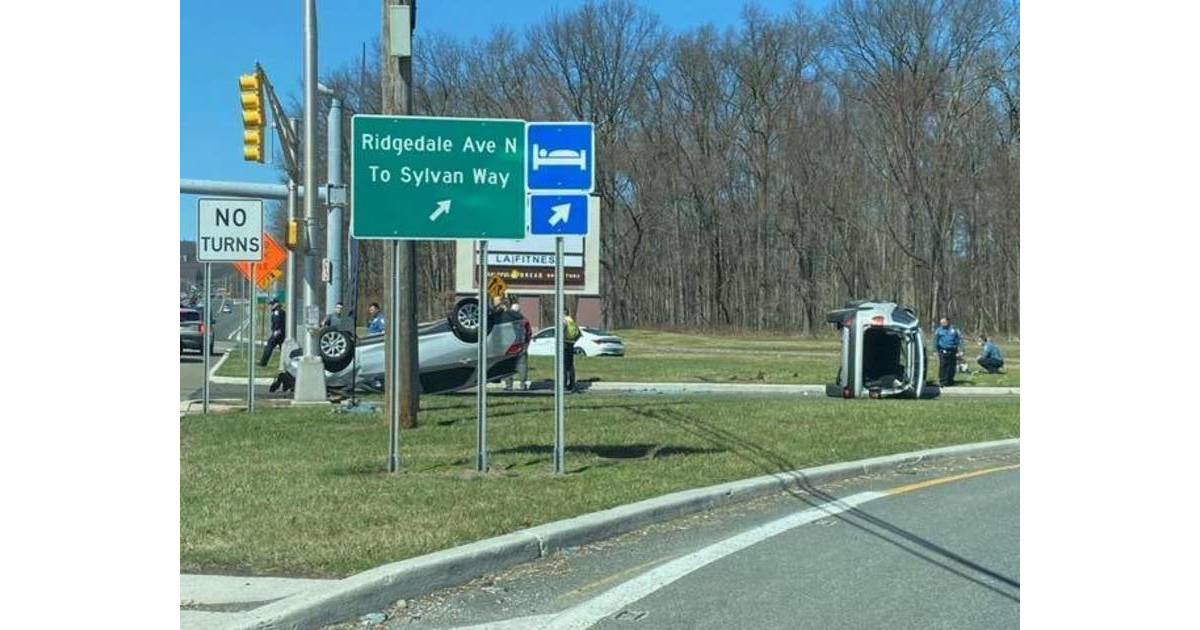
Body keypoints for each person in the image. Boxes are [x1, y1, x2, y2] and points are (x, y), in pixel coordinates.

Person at [503, 301, 529, 391]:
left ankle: (509, 385)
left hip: (509, 346)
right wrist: (526, 344)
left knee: (508, 366)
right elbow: (529, 333)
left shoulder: (506, 319)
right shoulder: (524, 320)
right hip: (521, 346)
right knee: (522, 365)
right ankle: (523, 384)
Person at [933, 317, 963, 387]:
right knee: (943, 365)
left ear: (948, 322)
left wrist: (961, 350)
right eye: (941, 323)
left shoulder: (955, 330)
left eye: (944, 322)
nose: (942, 324)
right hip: (943, 350)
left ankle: (950, 380)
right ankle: (943, 381)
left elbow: (960, 340)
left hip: (953, 351)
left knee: (952, 366)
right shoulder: (939, 330)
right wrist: (935, 350)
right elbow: (935, 341)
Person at [259, 299, 286, 367]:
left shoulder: (277, 312)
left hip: (278, 333)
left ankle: (263, 363)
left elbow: (277, 321)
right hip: (281, 334)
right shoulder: (281, 311)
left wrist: (276, 331)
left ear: (276, 304)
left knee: (269, 346)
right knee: (283, 349)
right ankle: (286, 363)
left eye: (272, 304)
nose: (270, 306)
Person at [563, 308, 582, 392]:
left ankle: (563, 385)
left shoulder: (563, 321)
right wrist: (573, 341)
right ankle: (572, 384)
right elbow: (579, 333)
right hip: (571, 344)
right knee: (570, 365)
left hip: (564, 344)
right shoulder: (572, 321)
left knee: (563, 366)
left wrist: (561, 340)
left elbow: (561, 331)